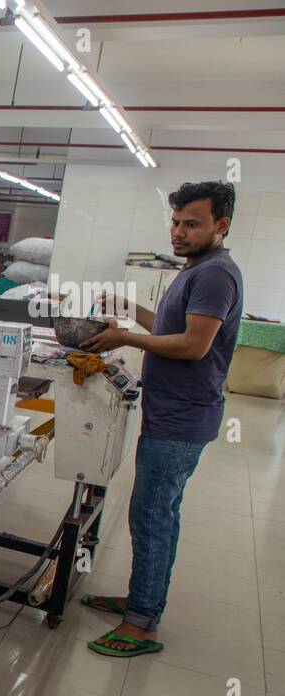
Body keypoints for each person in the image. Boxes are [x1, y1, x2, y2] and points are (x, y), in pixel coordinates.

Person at [77, 181, 243, 657]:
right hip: (172, 413)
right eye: (175, 221)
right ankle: (142, 600)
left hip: (182, 420)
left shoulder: (215, 275)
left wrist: (123, 340)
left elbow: (194, 345)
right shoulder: (198, 270)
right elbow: (173, 329)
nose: (179, 232)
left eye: (192, 223)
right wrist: (129, 312)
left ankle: (141, 623)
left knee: (152, 516)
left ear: (221, 225)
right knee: (153, 513)